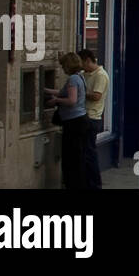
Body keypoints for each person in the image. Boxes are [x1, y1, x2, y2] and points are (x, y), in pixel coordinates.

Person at [44, 52, 90, 189]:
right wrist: (46, 90)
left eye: (63, 65)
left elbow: (71, 100)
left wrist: (56, 101)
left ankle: (73, 185)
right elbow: (65, 93)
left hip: (74, 123)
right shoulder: (79, 77)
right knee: (77, 156)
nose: (63, 68)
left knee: (71, 158)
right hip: (80, 120)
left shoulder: (73, 80)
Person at [79, 49, 108, 190]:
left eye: (81, 63)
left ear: (87, 60)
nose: (81, 67)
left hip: (92, 117)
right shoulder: (84, 75)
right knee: (84, 152)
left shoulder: (101, 75)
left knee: (90, 152)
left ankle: (95, 185)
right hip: (83, 116)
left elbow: (96, 96)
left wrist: (80, 93)